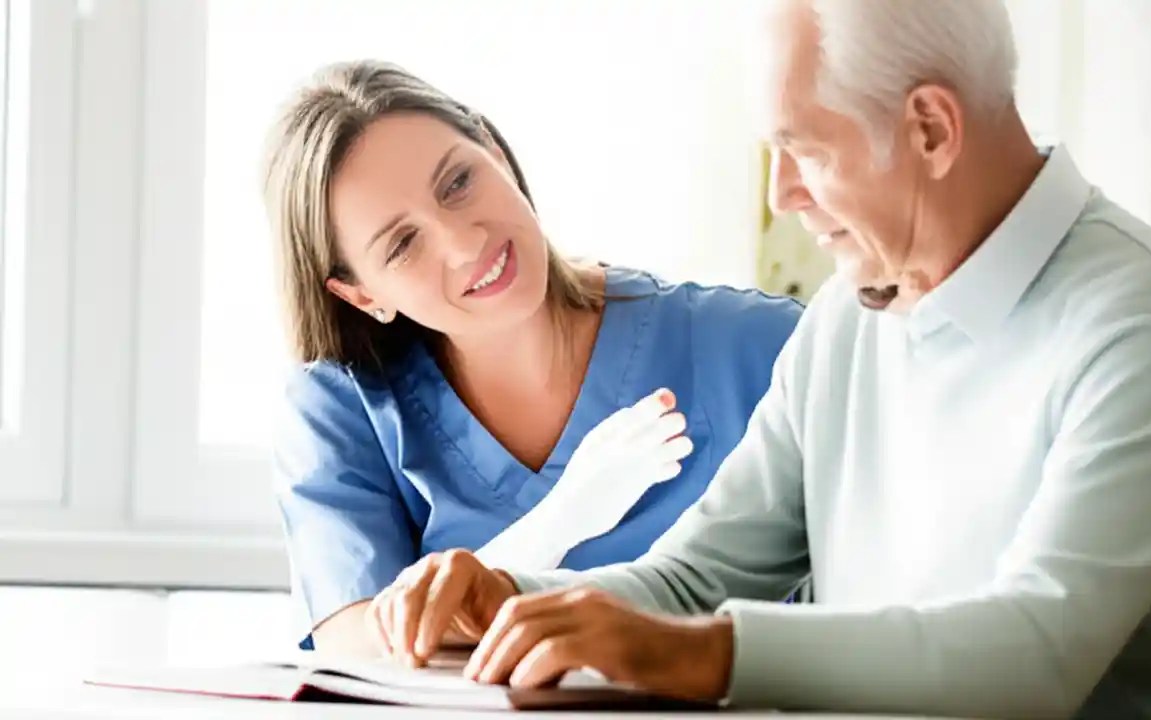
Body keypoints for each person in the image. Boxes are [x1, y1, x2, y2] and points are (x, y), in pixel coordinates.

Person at [370, 1, 1151, 717]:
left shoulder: (1146, 325)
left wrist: (699, 654)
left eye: (803, 149)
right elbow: (698, 576)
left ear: (930, 128)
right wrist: (509, 599)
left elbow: (1035, 657)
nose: (784, 194)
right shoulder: (852, 316)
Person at [263, 60, 802, 657]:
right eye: (403, 244)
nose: (465, 242)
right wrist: (563, 519)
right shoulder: (345, 409)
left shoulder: (761, 347)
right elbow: (353, 645)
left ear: (494, 151)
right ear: (363, 294)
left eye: (458, 182)